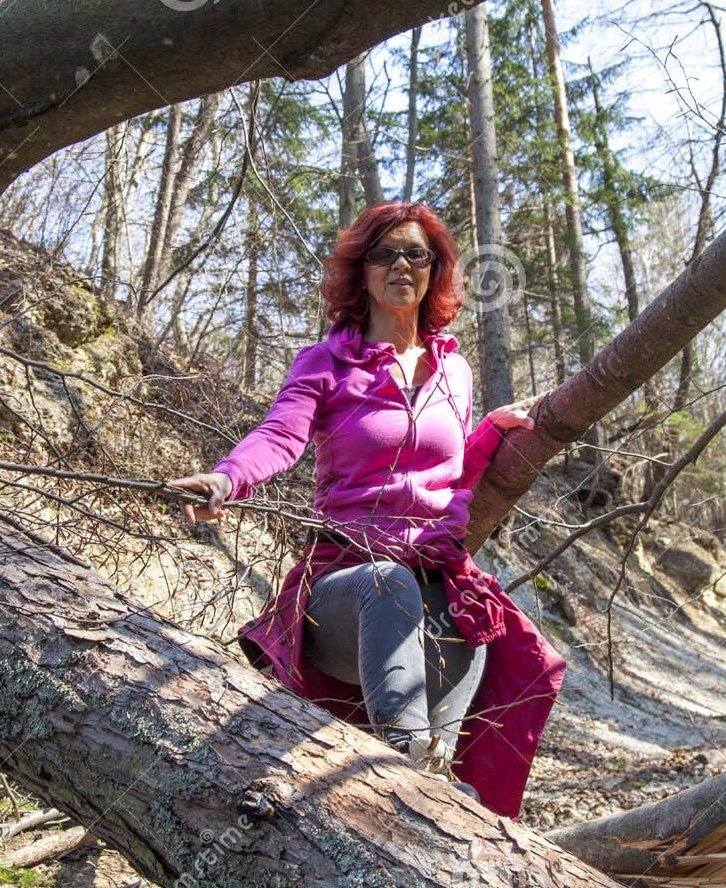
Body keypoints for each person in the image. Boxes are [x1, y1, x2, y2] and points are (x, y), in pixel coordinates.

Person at [169, 201, 567, 820]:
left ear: (436, 270)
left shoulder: (453, 372)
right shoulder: (327, 364)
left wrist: (490, 431)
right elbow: (279, 436)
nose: (401, 264)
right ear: (362, 272)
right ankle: (408, 772)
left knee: (480, 622)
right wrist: (226, 479)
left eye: (416, 253)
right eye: (385, 253)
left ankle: (432, 804)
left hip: (437, 580)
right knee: (389, 585)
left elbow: (452, 468)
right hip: (346, 588)